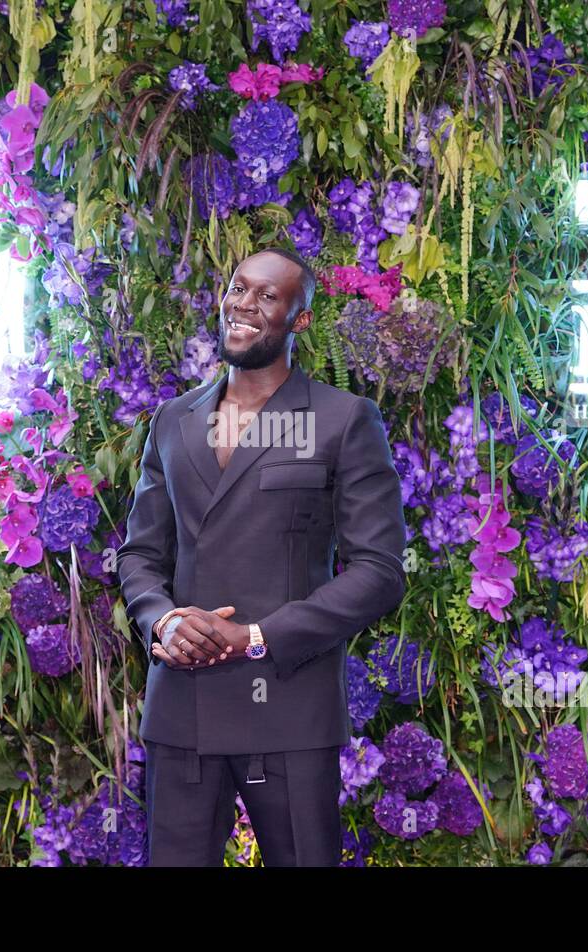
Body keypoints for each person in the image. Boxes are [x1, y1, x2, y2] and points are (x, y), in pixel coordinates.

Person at [115, 247, 407, 866]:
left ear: (299, 320)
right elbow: (140, 554)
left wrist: (254, 636)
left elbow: (378, 574)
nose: (244, 305)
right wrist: (163, 621)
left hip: (288, 708)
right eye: (238, 289)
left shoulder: (342, 420)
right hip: (182, 708)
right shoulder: (173, 420)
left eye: (267, 296)